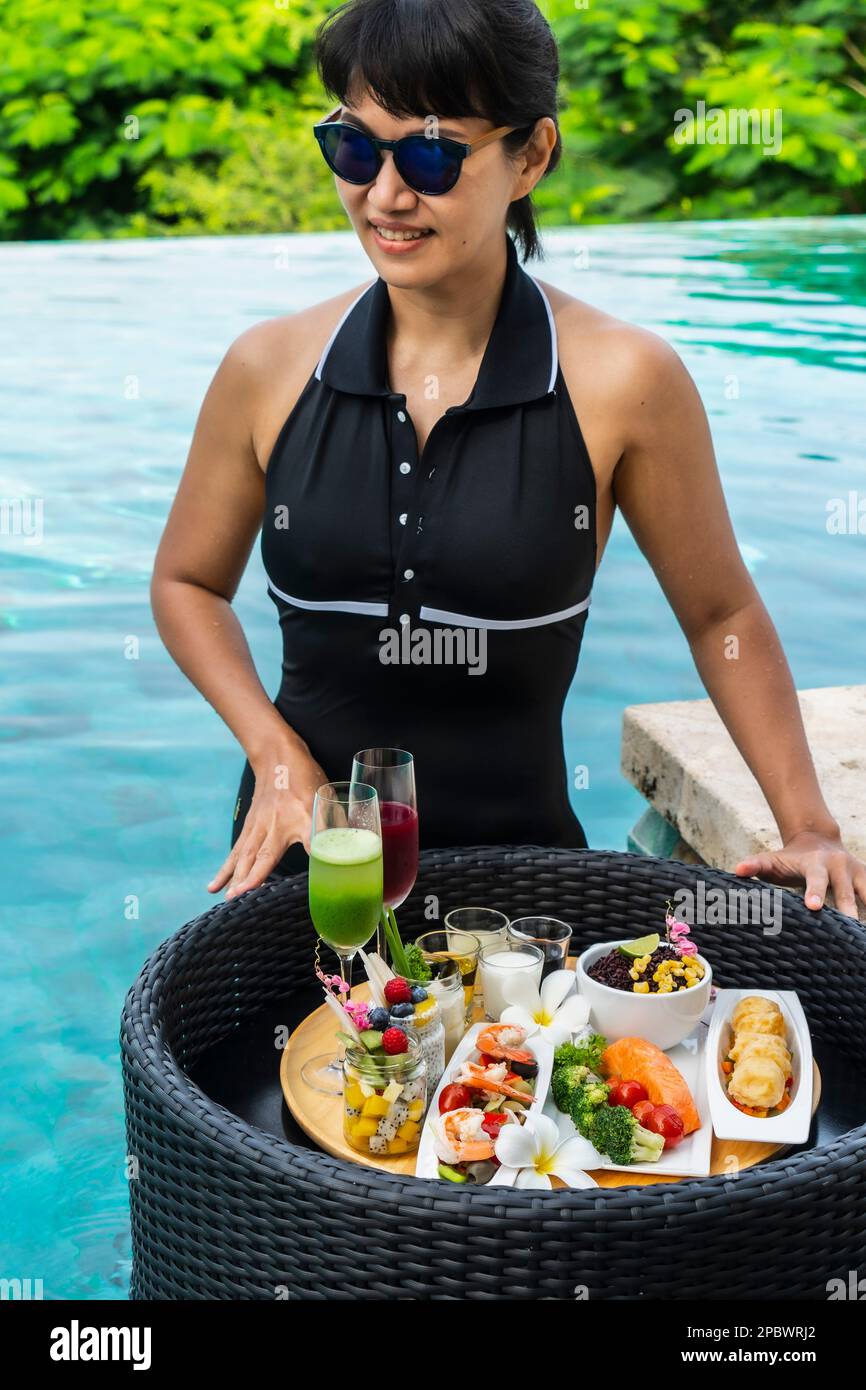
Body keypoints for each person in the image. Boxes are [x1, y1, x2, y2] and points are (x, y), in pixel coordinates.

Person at [151, 0, 866, 917]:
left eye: (432, 156)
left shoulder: (621, 379)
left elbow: (721, 610)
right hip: (305, 868)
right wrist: (273, 752)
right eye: (355, 150)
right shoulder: (270, 368)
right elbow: (185, 583)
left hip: (524, 894)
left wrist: (808, 826)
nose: (386, 197)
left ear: (531, 156)